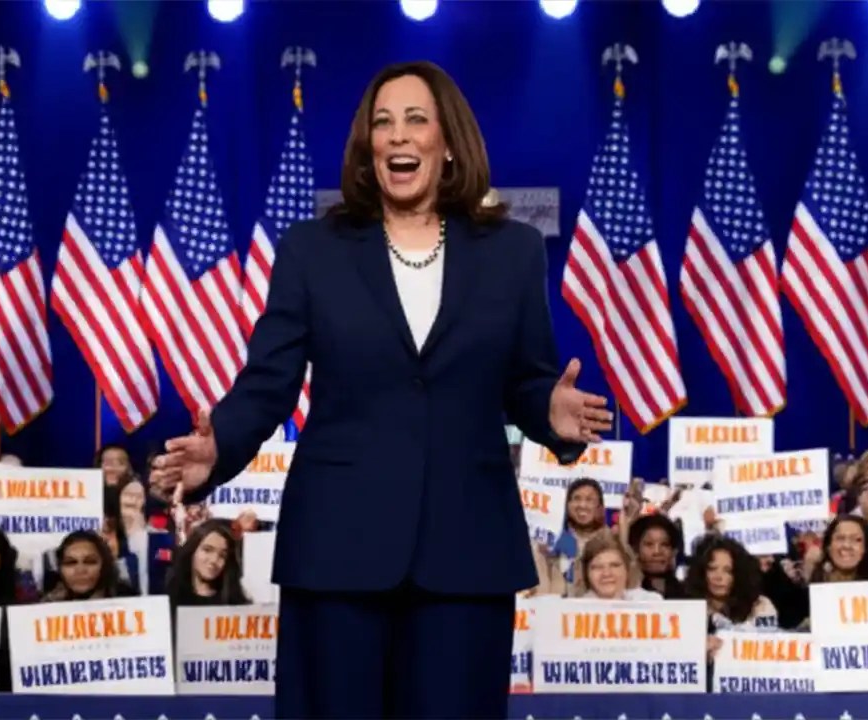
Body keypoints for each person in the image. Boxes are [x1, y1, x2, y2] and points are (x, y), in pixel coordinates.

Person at [154, 60, 610, 719]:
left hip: (465, 551)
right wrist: (217, 448)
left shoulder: (511, 251)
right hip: (338, 548)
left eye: (416, 120)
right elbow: (268, 382)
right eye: (383, 122)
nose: (398, 135)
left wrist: (549, 409)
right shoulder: (313, 249)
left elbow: (525, 378)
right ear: (368, 147)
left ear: (447, 143)